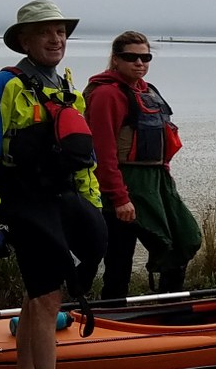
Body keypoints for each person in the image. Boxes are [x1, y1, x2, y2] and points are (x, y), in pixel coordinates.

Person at [0, 0, 107, 369]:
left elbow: (82, 156)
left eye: (60, 32)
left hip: (60, 195)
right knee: (47, 295)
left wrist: (91, 202)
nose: (56, 39)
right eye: (44, 32)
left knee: (42, 290)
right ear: (24, 41)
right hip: (21, 198)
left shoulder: (67, 88)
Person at [85, 31, 202, 300]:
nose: (139, 63)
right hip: (124, 182)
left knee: (185, 238)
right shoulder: (106, 94)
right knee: (119, 255)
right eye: (131, 57)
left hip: (156, 181)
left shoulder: (148, 91)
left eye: (145, 57)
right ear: (115, 59)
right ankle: (113, 309)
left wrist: (165, 176)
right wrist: (119, 198)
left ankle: (169, 302)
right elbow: (103, 151)